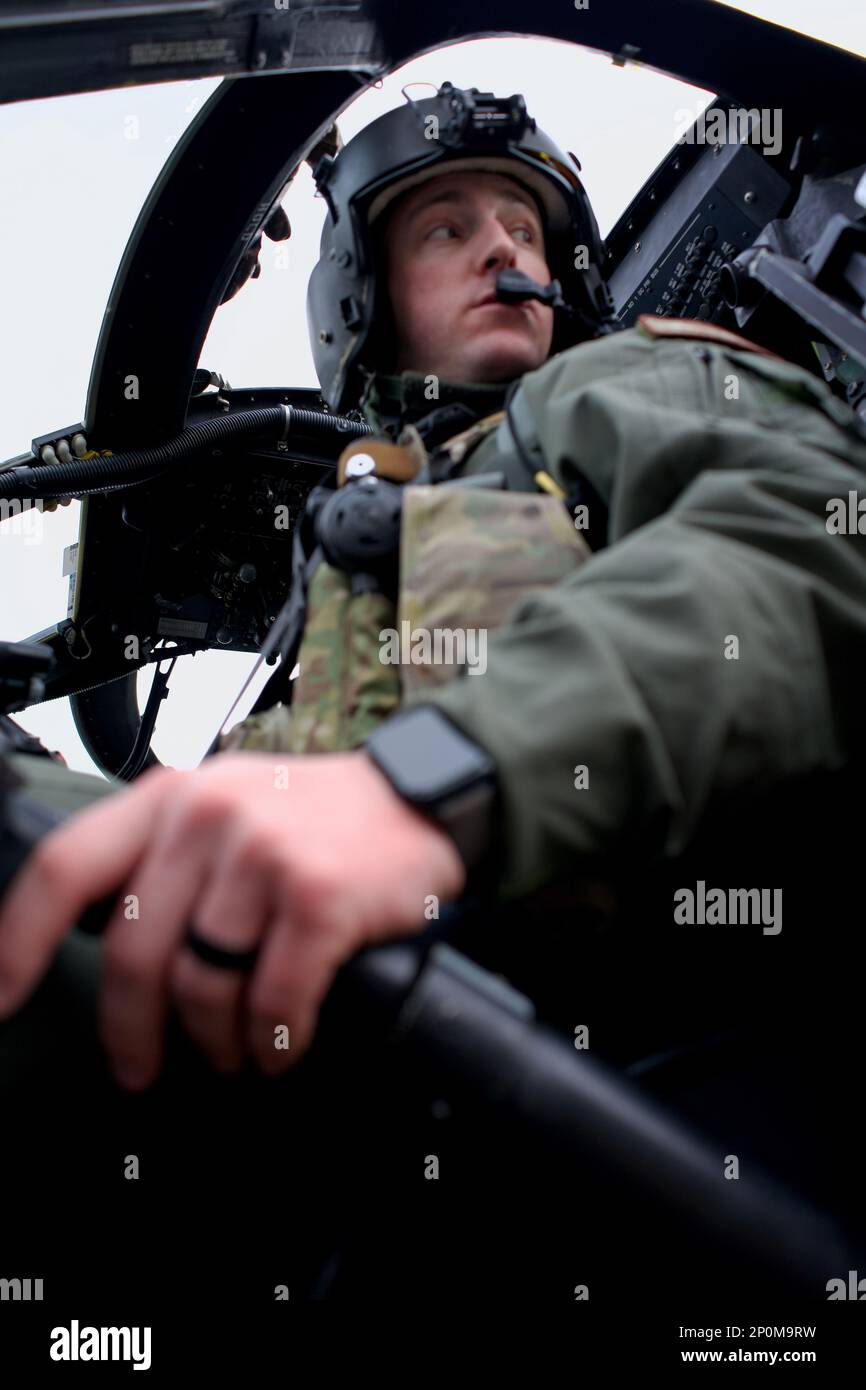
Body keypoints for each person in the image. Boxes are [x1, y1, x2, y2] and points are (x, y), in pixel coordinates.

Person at [1, 81, 865, 1306]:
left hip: (579, 1051)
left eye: (518, 225)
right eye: (446, 229)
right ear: (369, 298)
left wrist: (428, 785)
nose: (502, 247)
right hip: (307, 1058)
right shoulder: (362, 555)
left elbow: (800, 550)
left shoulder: (617, 387)